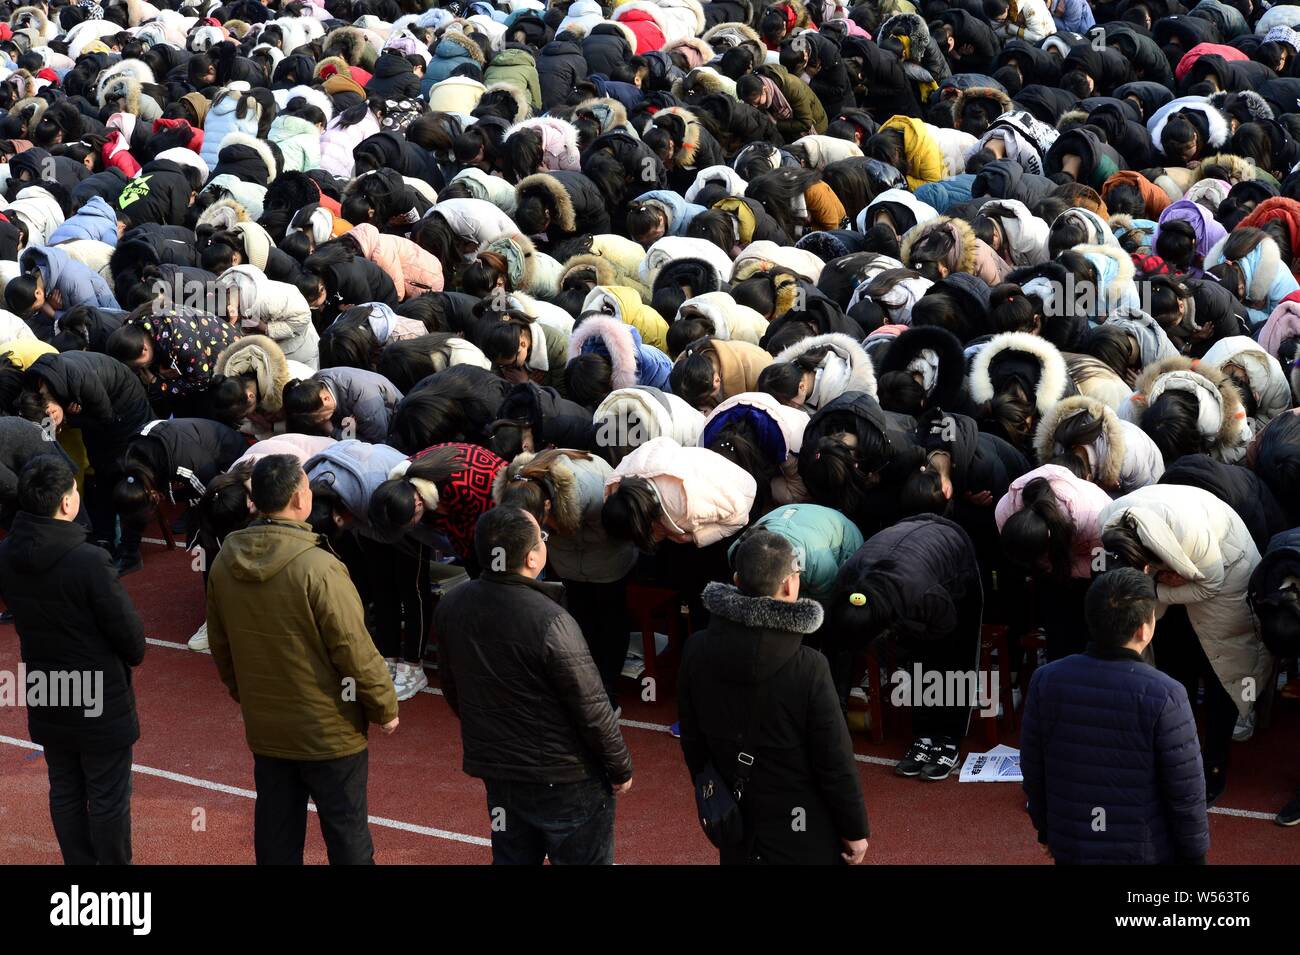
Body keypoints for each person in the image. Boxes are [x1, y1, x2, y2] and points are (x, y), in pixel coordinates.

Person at [206, 454, 399, 865]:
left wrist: (247, 696)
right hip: (330, 732)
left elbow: (220, 645)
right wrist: (384, 705)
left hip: (268, 727)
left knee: (276, 832)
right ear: (299, 499)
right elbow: (354, 648)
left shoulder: (224, 562)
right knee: (347, 834)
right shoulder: (319, 567)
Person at [434, 505, 633, 865]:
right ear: (531, 558)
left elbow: (452, 687)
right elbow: (591, 706)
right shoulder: (551, 620)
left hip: (501, 772)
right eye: (542, 537)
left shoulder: (452, 606)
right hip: (567, 777)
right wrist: (620, 767)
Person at [677, 529, 869, 865]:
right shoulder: (809, 667)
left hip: (735, 818)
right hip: (803, 827)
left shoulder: (696, 649)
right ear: (789, 585)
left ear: (737, 580)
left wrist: (712, 790)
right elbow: (835, 760)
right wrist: (855, 829)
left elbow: (692, 739)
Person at [0, 457, 145, 864]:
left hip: (46, 690)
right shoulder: (89, 561)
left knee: (64, 786)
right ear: (66, 503)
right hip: (98, 697)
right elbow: (131, 638)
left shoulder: (7, 553)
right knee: (107, 795)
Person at [1020, 569, 1210, 864]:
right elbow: (1186, 791)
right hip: (1142, 852)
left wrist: (1045, 830)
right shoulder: (1167, 694)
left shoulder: (1046, 680)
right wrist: (1195, 855)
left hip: (1071, 843)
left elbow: (1033, 769)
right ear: (1144, 629)